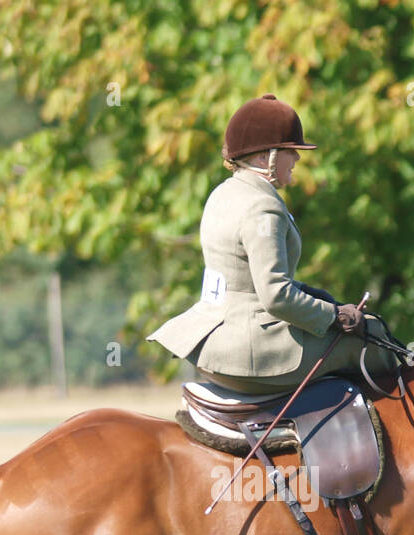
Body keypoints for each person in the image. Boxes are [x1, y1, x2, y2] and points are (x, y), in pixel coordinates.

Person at [147, 94, 400, 395]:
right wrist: (333, 315)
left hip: (214, 335)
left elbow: (250, 279)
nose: (297, 159)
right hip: (251, 350)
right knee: (372, 336)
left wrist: (313, 295)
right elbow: (276, 296)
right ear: (261, 157)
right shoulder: (262, 208)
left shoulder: (224, 193)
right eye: (290, 151)